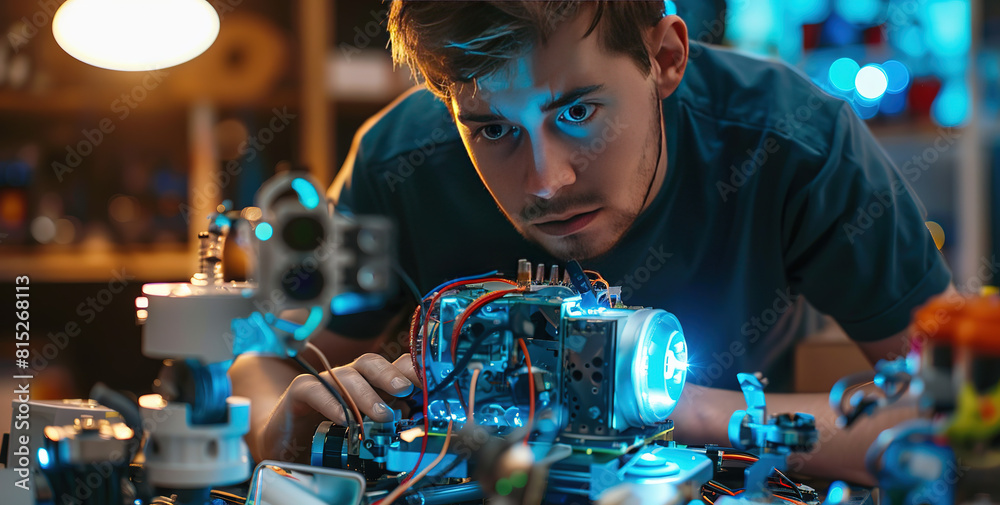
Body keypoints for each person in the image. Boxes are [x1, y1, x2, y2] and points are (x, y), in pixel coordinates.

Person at [230, 1, 953, 484]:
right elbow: (267, 363)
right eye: (491, 129)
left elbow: (957, 414)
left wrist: (674, 406)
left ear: (664, 58)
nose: (546, 182)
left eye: (576, 109)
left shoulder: (796, 149)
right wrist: (282, 425)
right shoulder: (398, 162)